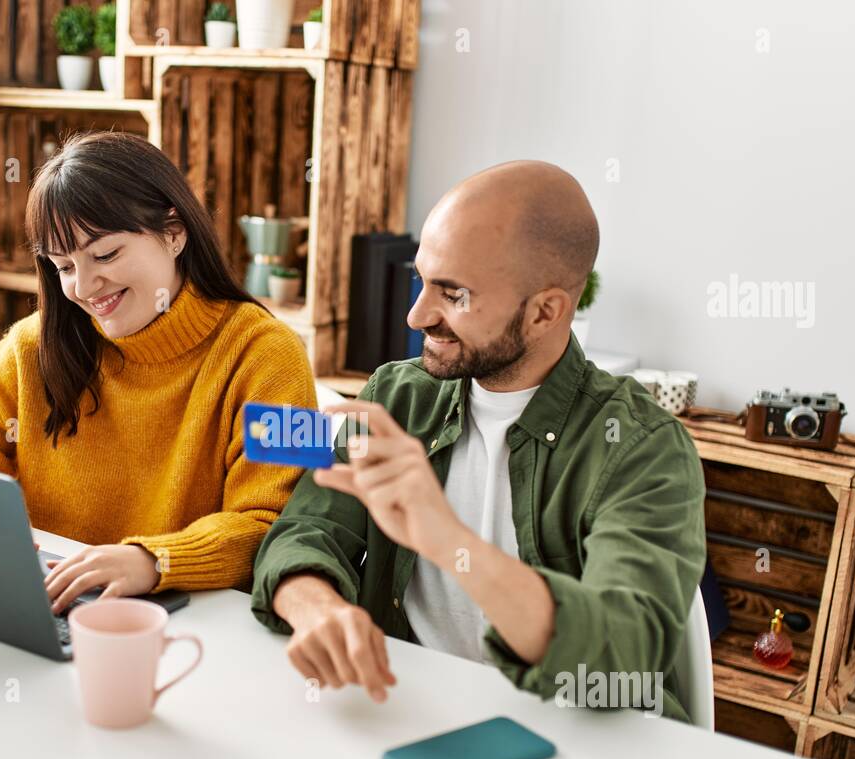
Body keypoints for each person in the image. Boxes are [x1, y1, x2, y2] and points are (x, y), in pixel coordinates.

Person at [250, 160, 706, 722]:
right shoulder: (396, 396)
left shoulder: (642, 448)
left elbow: (624, 659)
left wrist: (443, 536)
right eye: (422, 280)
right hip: (409, 710)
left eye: (454, 294)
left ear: (545, 312)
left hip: (573, 743)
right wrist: (316, 608)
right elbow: (306, 530)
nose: (417, 315)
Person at [0, 131, 316, 609]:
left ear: (174, 232)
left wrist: (154, 560)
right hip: (52, 606)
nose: (84, 287)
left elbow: (281, 526)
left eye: (105, 255)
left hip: (194, 630)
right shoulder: (31, 345)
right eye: (63, 266)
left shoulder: (272, 354)